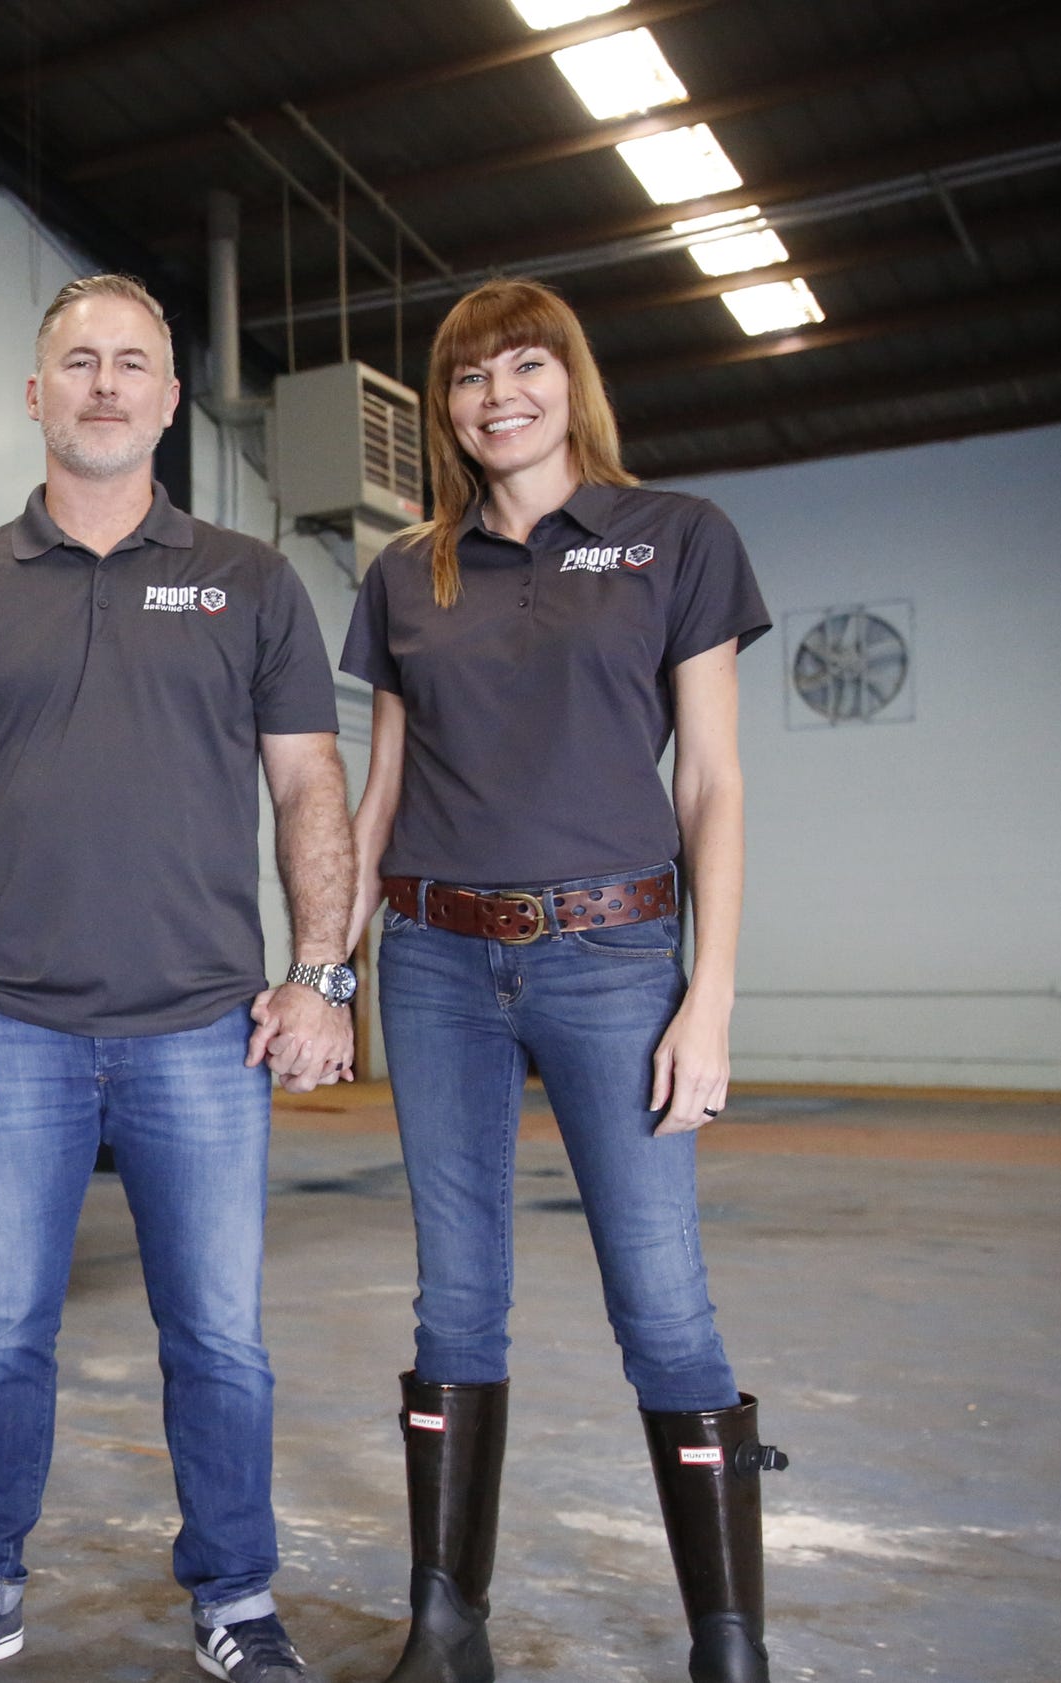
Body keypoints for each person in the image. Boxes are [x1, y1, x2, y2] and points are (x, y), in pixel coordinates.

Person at [0, 273, 361, 1683]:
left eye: (132, 363)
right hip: (8, 1027)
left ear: (170, 400)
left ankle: (238, 1599)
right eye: (79, 362)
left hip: (203, 1028)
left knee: (220, 1341)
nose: (104, 385)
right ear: (36, 394)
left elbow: (311, 783)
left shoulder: (252, 581)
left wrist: (322, 975)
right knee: (0, 1333)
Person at [339, 277, 785, 1683]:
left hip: (614, 959)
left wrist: (710, 997)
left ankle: (727, 1643)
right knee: (455, 1298)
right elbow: (380, 791)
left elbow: (711, 783)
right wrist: (326, 969)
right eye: (470, 378)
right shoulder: (409, 570)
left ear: (570, 379)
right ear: (446, 409)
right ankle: (446, 1627)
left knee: (661, 1300)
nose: (499, 396)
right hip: (434, 960)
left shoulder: (678, 539)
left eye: (525, 366)